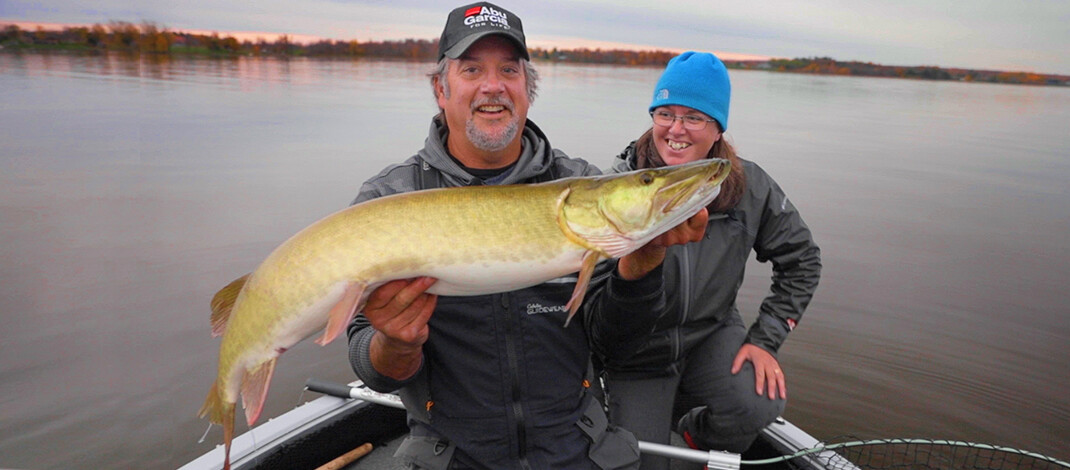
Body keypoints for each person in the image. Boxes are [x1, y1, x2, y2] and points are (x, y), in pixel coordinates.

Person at [345, 4, 706, 469]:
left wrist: (639, 271)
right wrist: (395, 343)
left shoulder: (582, 188)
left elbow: (616, 346)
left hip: (575, 447)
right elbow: (371, 368)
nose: (492, 85)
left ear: (527, 89)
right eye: (472, 68)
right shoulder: (390, 197)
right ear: (441, 87)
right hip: (453, 453)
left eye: (509, 70)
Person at [587, 51, 822, 469]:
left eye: (694, 117)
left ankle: (695, 436)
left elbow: (802, 260)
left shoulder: (751, 186)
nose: (676, 129)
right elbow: (597, 306)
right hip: (638, 353)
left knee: (758, 402)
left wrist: (766, 339)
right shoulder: (616, 186)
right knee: (640, 462)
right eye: (665, 113)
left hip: (710, 333)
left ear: (717, 129)